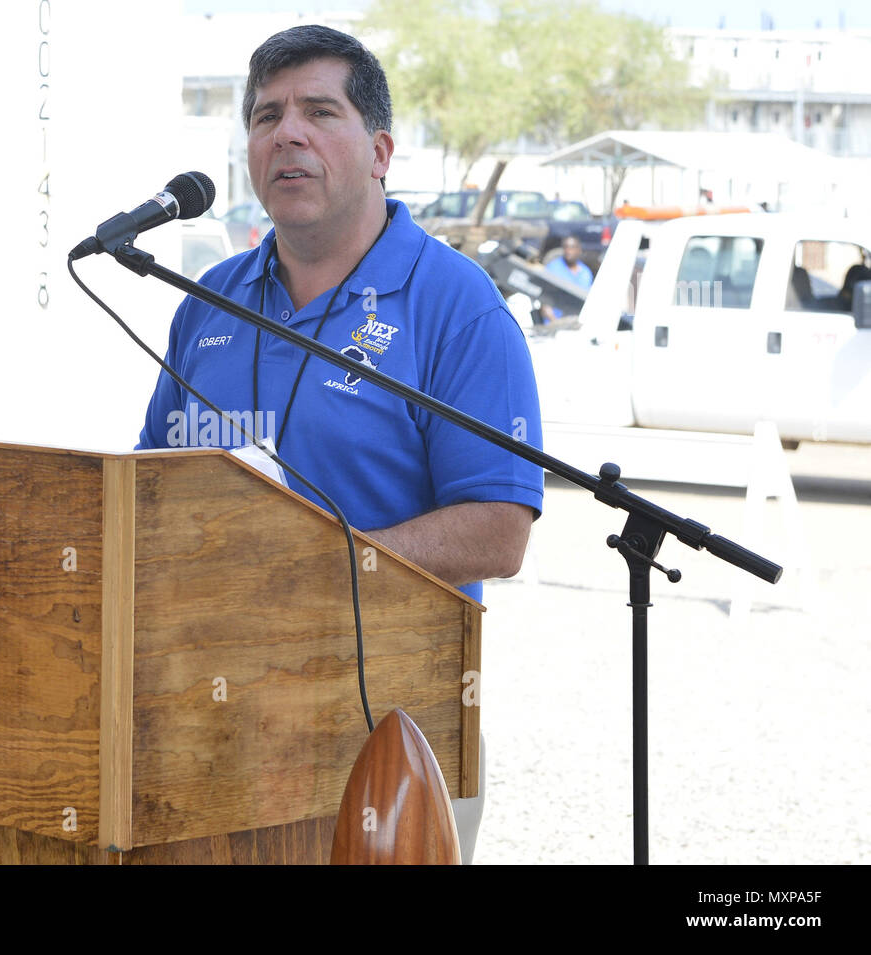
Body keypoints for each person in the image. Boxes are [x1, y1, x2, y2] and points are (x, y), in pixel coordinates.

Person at [134, 24, 544, 861]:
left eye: (320, 111)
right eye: (265, 116)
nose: (287, 132)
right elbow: (147, 494)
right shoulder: (204, 304)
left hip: (389, 736)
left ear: (380, 149)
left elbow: (500, 526)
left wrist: (319, 571)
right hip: (214, 722)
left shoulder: (454, 304)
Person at [541, 236, 593, 323]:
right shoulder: (553, 267)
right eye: (566, 247)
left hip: (578, 323)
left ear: (579, 250)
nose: (568, 251)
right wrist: (556, 323)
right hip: (554, 324)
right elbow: (544, 301)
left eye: (572, 247)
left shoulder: (586, 272)